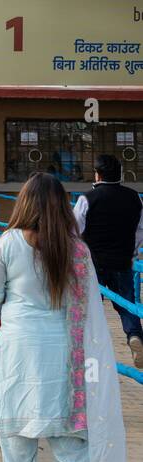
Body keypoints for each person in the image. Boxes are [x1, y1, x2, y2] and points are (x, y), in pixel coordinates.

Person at [0, 172, 128, 462]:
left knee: (17, 423)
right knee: (68, 426)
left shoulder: (8, 242)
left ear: (24, 203)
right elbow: (86, 302)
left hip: (19, 344)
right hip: (64, 346)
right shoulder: (76, 249)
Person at [72, 154, 143, 368]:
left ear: (98, 174)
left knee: (89, 305)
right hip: (123, 262)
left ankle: (85, 346)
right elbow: (140, 230)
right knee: (127, 303)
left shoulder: (87, 199)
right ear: (119, 174)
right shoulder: (135, 198)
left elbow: (74, 230)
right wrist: (133, 251)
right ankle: (134, 336)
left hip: (93, 263)